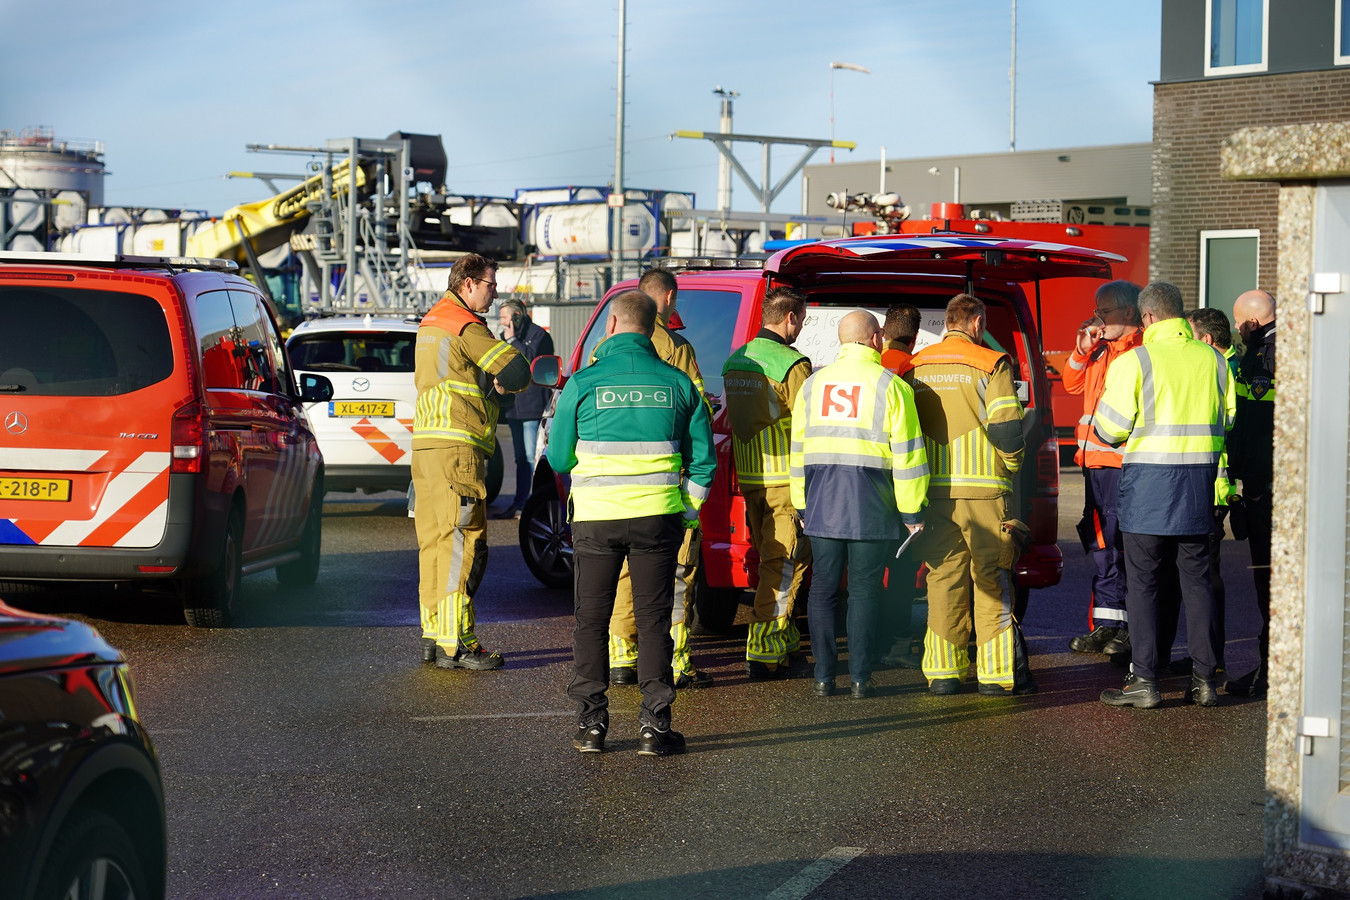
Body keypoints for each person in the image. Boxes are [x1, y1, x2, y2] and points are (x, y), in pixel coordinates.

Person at [546, 290, 715, 755]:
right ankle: (654, 728)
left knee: (591, 620)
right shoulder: (679, 384)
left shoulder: (583, 383)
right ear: (652, 328)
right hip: (657, 521)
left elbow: (559, 458)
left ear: (613, 326)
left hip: (597, 521)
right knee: (655, 620)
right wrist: (687, 510)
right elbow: (704, 463)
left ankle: (592, 726)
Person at [1096, 282, 1235, 709]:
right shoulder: (1213, 359)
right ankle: (1205, 679)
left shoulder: (1135, 360)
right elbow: (1228, 418)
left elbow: (1109, 429)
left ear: (1149, 318)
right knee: (1197, 583)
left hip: (1150, 487)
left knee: (1143, 584)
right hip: (1199, 484)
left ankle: (1145, 680)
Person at [790, 310, 928, 699]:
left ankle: (823, 677)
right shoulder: (892, 386)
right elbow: (908, 457)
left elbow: (797, 450)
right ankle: (860, 679)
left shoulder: (813, 386)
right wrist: (912, 513)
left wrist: (802, 504)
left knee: (822, 590)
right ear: (875, 338)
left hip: (821, 505)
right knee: (865, 591)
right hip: (873, 505)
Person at [907, 293, 1035, 696]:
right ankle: (995, 677)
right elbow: (1006, 429)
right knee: (991, 580)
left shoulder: (916, 366)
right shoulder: (990, 362)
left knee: (942, 579)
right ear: (977, 323)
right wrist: (1012, 465)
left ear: (947, 323)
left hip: (932, 494)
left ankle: (943, 674)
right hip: (984, 495)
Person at [413, 253, 530, 670]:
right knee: (462, 544)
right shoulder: (465, 324)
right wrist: (505, 378)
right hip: (457, 448)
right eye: (490, 284)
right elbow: (515, 370)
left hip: (427, 446)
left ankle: (434, 634)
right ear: (467, 284)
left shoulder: (431, 321)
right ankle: (456, 644)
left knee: (433, 543)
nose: (494, 290)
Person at [605, 268, 715, 689]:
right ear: (668, 298)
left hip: (615, 484)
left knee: (622, 574)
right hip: (668, 479)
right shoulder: (676, 347)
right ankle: (676, 660)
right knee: (677, 570)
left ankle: (621, 656)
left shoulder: (605, 349)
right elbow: (695, 408)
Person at [721, 286, 814, 680]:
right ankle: (764, 645)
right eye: (802, 321)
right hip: (785, 480)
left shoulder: (735, 361)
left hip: (750, 476)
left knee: (775, 558)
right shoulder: (792, 364)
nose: (802, 328)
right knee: (784, 562)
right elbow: (810, 425)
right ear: (790, 317)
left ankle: (785, 633)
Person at [1061, 281, 1143, 657]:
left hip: (1124, 467)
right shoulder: (1100, 351)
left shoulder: (1141, 351)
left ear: (1129, 312)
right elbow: (1070, 382)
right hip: (1094, 465)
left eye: (1104, 311)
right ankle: (1108, 624)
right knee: (1101, 547)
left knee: (1124, 548)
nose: (1098, 319)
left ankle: (1128, 627)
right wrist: (1082, 350)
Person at [1157, 306, 1239, 673]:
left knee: (1198, 577)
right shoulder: (1225, 366)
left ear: (1205, 339)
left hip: (1206, 485)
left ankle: (1206, 659)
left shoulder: (1220, 368)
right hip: (1208, 484)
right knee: (1195, 575)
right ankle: (1203, 657)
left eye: (1189, 335)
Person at [1225, 289, 1277, 697]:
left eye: (1240, 322)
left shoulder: (1266, 356)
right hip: (1268, 485)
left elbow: (1257, 426)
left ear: (1252, 323)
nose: (1238, 329)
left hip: (1270, 489)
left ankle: (1271, 673)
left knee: (1270, 582)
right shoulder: (1267, 350)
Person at [876, 303, 924, 669]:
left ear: (884, 333)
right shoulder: (915, 370)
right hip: (906, 485)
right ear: (916, 335)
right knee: (905, 569)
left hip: (870, 485)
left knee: (870, 569)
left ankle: (868, 641)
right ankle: (895, 644)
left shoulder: (870, 368)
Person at [492, 299, 554, 519]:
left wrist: (513, 341)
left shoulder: (539, 336)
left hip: (531, 405)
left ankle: (532, 503)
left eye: (504, 317)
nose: (502, 323)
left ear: (517, 316)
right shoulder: (507, 337)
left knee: (530, 456)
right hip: (514, 406)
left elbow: (529, 362)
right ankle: (519, 501)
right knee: (519, 457)